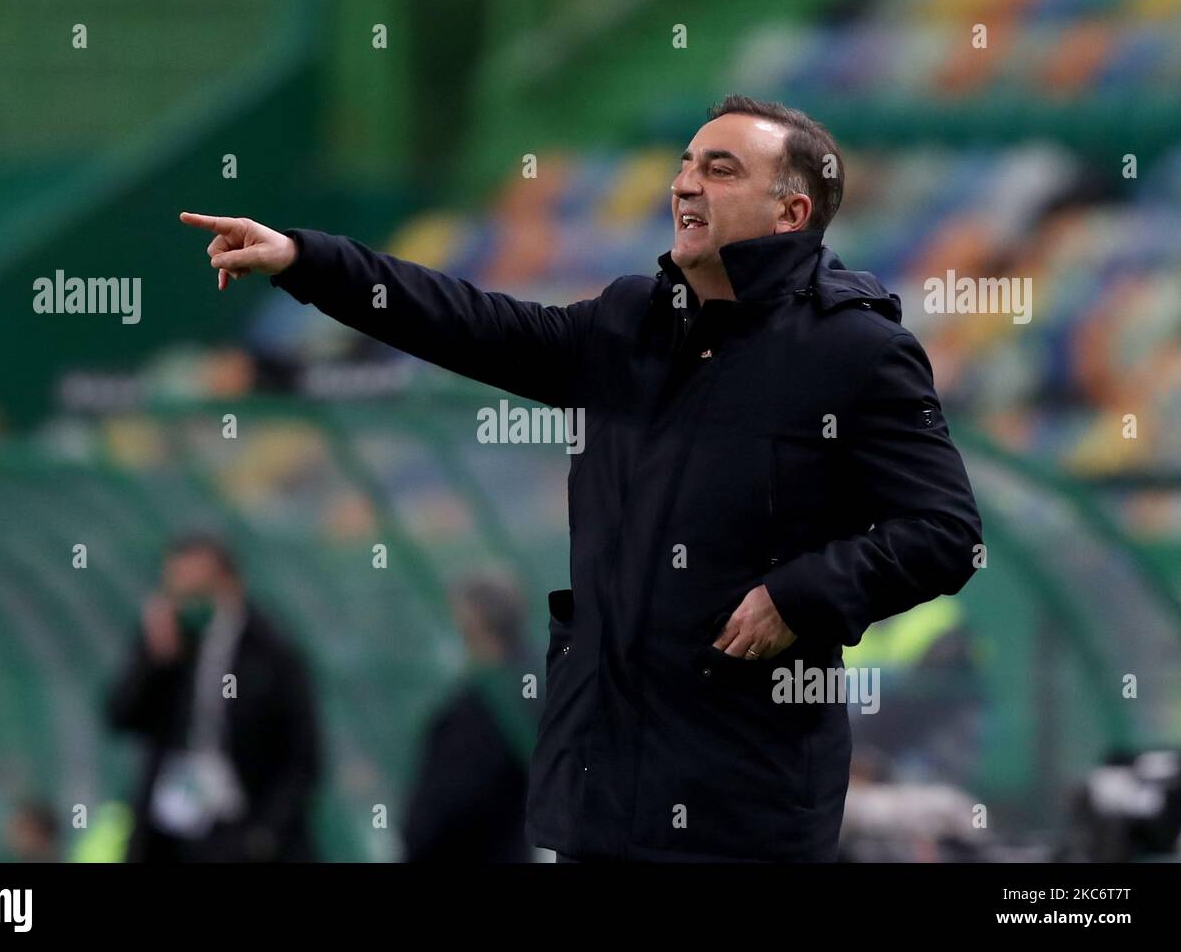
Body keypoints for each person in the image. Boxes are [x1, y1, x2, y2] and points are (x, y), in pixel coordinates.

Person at [180, 94, 984, 862]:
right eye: (685, 164)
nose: (685, 183)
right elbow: (467, 321)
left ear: (792, 213)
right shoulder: (628, 322)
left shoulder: (854, 352)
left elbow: (945, 534)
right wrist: (305, 260)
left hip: (746, 801)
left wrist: (796, 597)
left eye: (722, 168)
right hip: (600, 790)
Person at [107, 534, 322, 861]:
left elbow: (301, 755)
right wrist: (155, 662)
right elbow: (121, 717)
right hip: (174, 832)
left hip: (243, 830)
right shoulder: (170, 646)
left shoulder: (272, 654)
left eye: (201, 587)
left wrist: (265, 833)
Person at [402, 569, 541, 862]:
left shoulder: (489, 705)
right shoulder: (527, 686)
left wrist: (419, 834)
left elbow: (452, 800)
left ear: (475, 623)